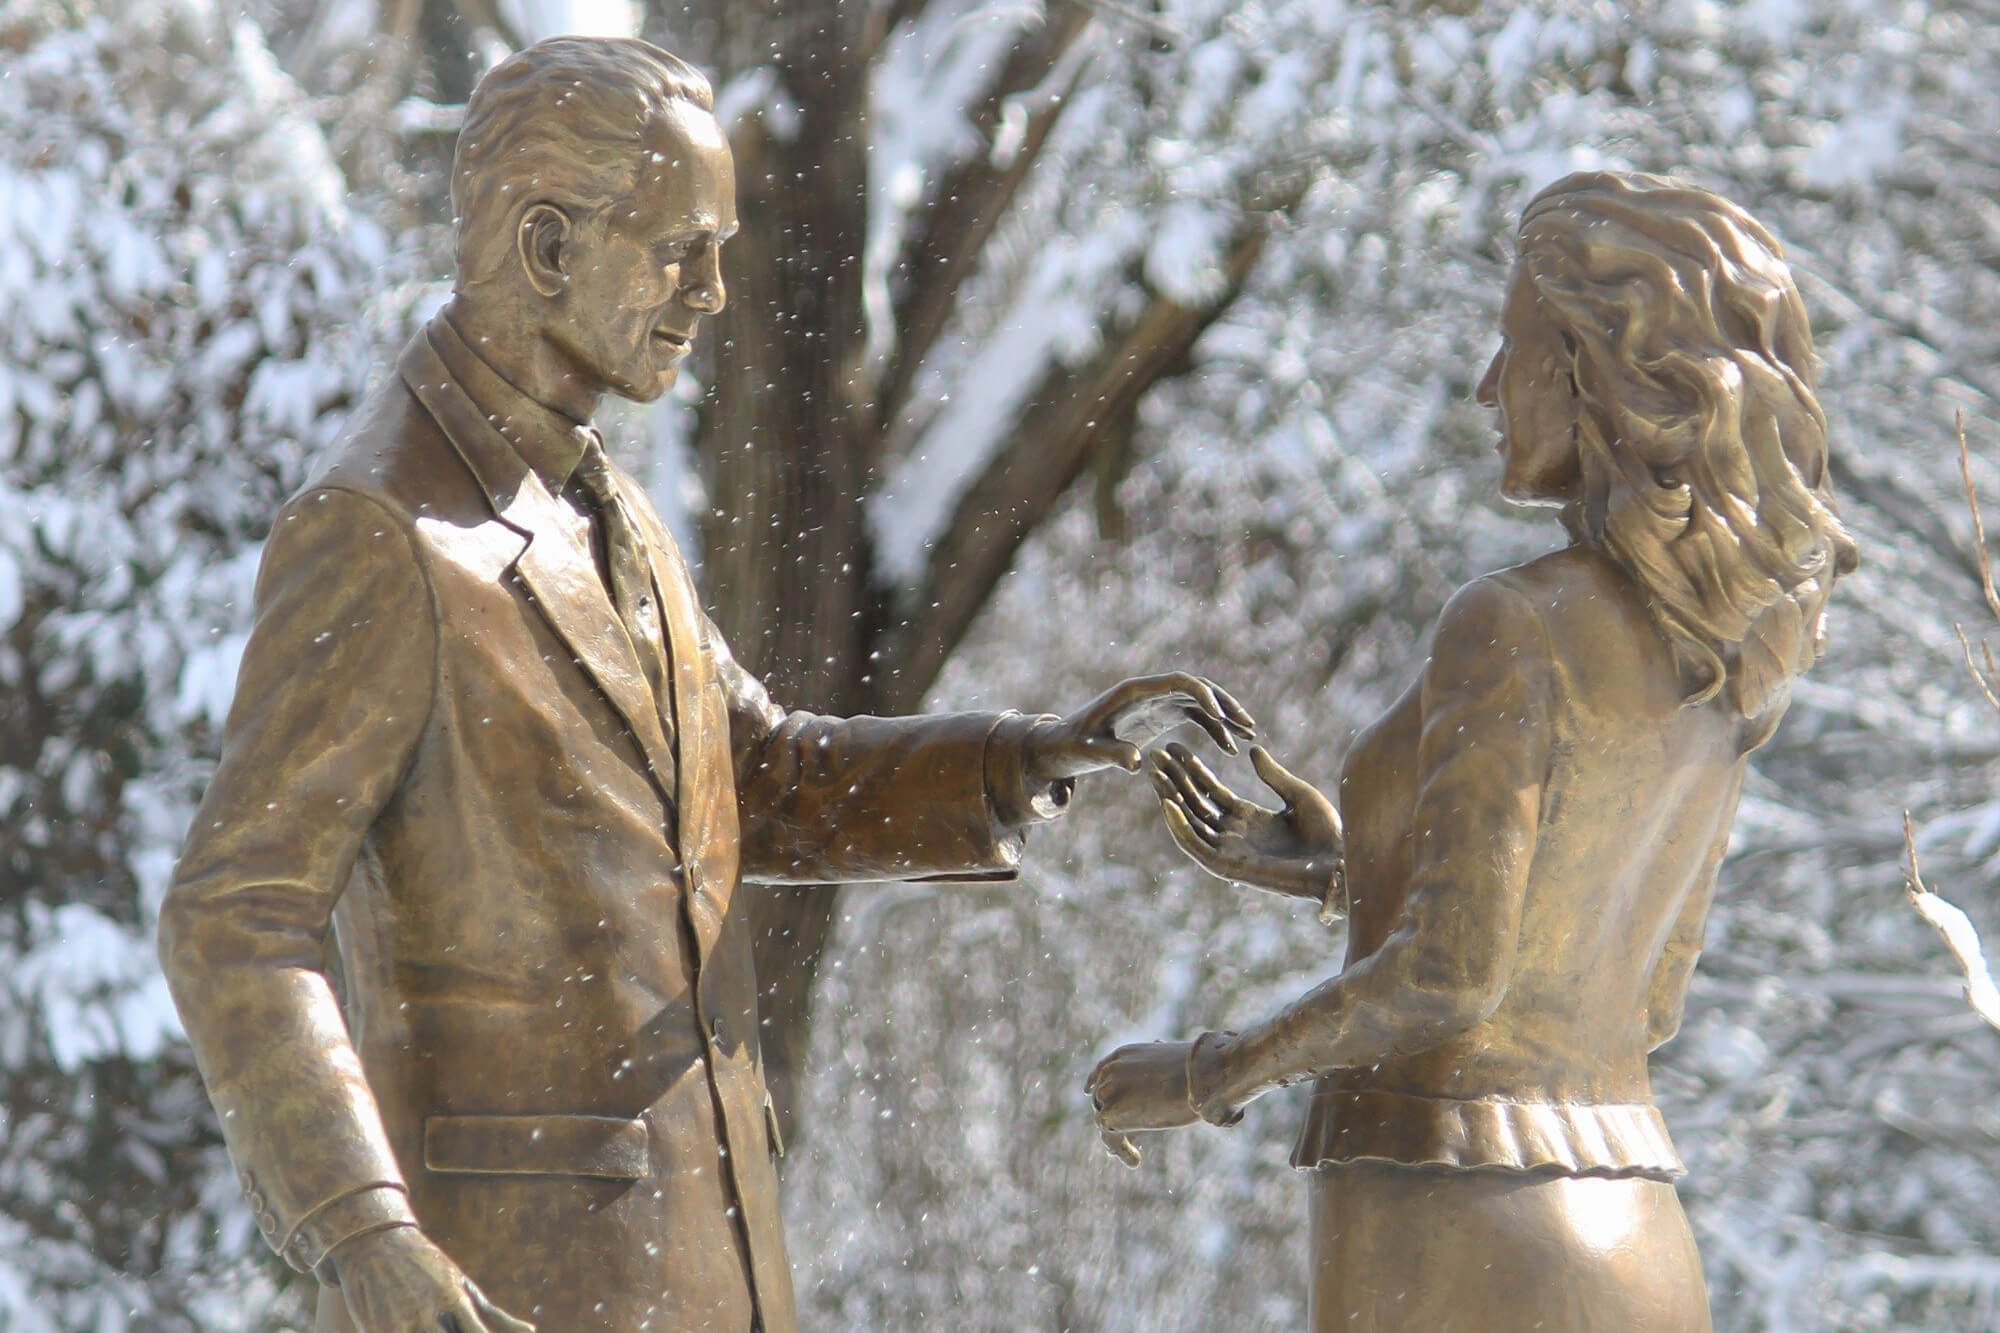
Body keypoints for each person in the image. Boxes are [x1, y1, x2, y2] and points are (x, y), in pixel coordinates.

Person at [157, 35, 1252, 1333]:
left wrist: (1039, 751)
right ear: (549, 247)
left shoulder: (593, 501)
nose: (714, 291)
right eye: (681, 248)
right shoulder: (385, 533)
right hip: (515, 1286)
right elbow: (236, 912)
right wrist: (359, 1228)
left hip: (702, 1264)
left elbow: (758, 775)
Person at [1087, 171, 1858, 1331]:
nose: (1489, 387)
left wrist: (1206, 1074)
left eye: (1515, 350)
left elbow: (1452, 978)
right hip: (1632, 1234)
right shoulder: (1724, 647)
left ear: (1601, 372)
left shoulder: (1511, 621)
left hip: (1456, 1216)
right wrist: (1351, 866)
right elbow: (1635, 981)